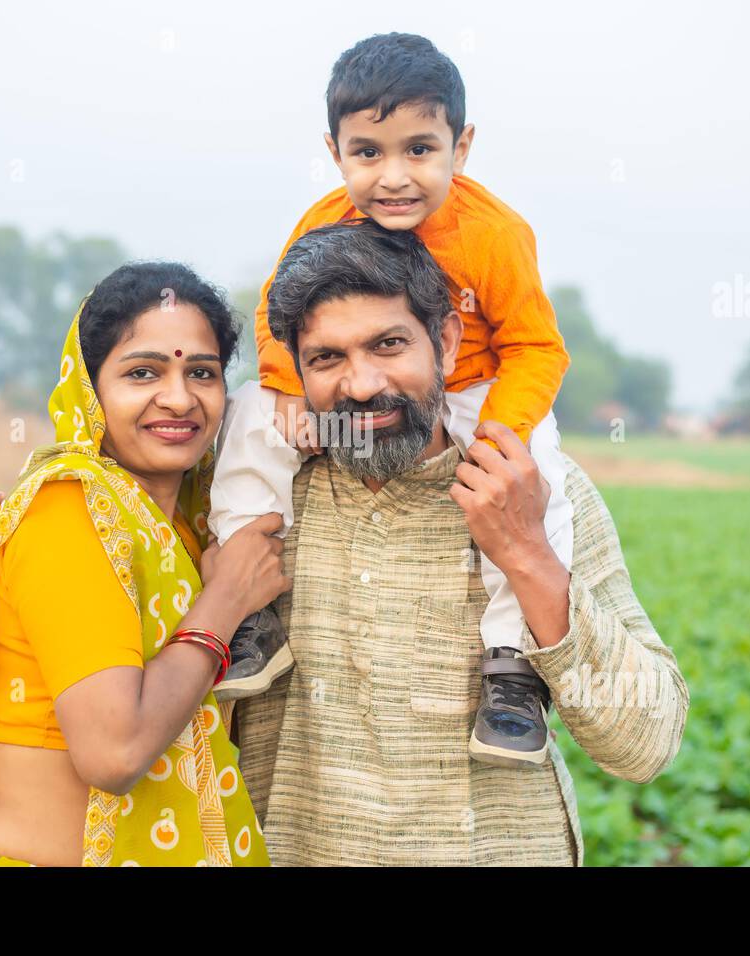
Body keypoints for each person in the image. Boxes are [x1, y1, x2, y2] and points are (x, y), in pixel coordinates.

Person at [232, 220, 689, 864]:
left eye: (388, 344)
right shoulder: (261, 502)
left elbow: (645, 742)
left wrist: (527, 553)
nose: (361, 385)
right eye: (327, 358)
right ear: (294, 369)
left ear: (446, 343)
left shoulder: (535, 493)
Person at [209, 33, 574, 771]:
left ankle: (511, 665)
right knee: (249, 412)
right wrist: (284, 384)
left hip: (476, 390)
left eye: (420, 149)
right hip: (357, 407)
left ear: (460, 146)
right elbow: (271, 315)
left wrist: (503, 431)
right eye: (368, 153)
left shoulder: (495, 235)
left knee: (540, 487)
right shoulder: (322, 224)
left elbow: (538, 346)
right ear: (334, 149)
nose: (394, 177)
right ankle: (248, 610)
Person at [0, 262, 286, 867]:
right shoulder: (66, 509)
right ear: (91, 390)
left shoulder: (198, 523)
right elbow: (115, 753)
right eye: (143, 372)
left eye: (202, 372)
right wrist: (225, 600)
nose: (179, 398)